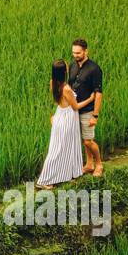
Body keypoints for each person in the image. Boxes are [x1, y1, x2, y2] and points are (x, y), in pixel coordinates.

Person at [37, 59, 86, 188]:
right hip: (68, 119)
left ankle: (67, 174)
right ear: (64, 71)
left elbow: (58, 101)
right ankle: (45, 180)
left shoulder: (53, 83)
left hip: (60, 115)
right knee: (61, 149)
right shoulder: (66, 89)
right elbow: (75, 106)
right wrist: (91, 98)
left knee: (64, 147)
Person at [69, 38, 103, 178]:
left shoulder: (94, 69)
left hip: (87, 110)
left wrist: (95, 115)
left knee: (88, 140)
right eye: (73, 53)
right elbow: (69, 86)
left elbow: (98, 93)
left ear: (85, 51)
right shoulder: (73, 65)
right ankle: (89, 164)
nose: (75, 55)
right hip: (75, 110)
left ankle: (99, 164)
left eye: (78, 53)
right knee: (83, 140)